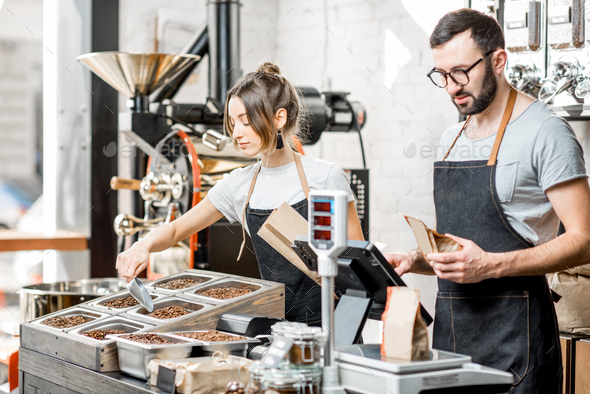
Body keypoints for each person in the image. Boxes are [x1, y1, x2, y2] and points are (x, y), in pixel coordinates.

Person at [386, 9, 590, 393]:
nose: (451, 87)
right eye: (442, 75)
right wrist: (415, 259)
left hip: (517, 348)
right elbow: (459, 249)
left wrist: (493, 265)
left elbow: (585, 239)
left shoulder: (545, 132)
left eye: (461, 72)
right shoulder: (451, 138)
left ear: (498, 61)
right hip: (450, 346)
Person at [117, 62, 364, 325]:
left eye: (246, 122)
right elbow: (177, 230)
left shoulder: (325, 177)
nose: (236, 134)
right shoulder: (239, 184)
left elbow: (359, 265)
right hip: (275, 328)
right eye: (233, 123)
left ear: (279, 118)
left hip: (332, 327)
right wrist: (141, 246)